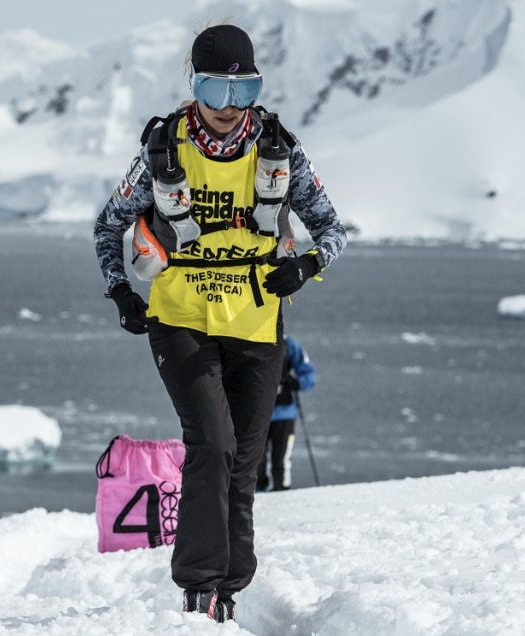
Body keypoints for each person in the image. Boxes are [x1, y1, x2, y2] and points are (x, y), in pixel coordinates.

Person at [92, 22, 347, 624]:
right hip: (180, 314)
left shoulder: (280, 150)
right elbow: (108, 224)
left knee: (243, 456)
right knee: (213, 440)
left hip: (257, 321)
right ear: (193, 85)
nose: (229, 108)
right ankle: (198, 586)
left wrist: (307, 266)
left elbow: (333, 229)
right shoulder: (164, 150)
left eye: (243, 90)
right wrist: (121, 292)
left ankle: (229, 588)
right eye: (215, 90)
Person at [257, 333, 316, 492]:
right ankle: (257, 495)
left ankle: (281, 493)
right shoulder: (251, 340)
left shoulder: (288, 344)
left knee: (280, 461)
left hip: (284, 413)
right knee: (255, 461)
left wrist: (297, 383)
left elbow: (308, 374)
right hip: (257, 413)